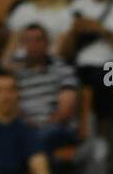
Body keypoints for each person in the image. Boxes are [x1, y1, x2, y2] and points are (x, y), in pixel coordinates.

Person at [10, 23, 79, 152]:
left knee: (41, 136)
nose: (33, 45)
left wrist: (40, 127)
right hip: (25, 128)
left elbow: (65, 111)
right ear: (21, 45)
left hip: (57, 128)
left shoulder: (62, 68)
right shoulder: (16, 72)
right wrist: (26, 126)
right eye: (27, 41)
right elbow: (12, 105)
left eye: (38, 40)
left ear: (47, 43)